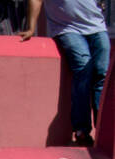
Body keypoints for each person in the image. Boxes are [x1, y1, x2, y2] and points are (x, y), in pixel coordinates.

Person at [20, 0, 110, 147]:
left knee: (102, 75)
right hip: (67, 29)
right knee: (83, 69)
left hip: (97, 26)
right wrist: (31, 28)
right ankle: (81, 131)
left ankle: (104, 131)